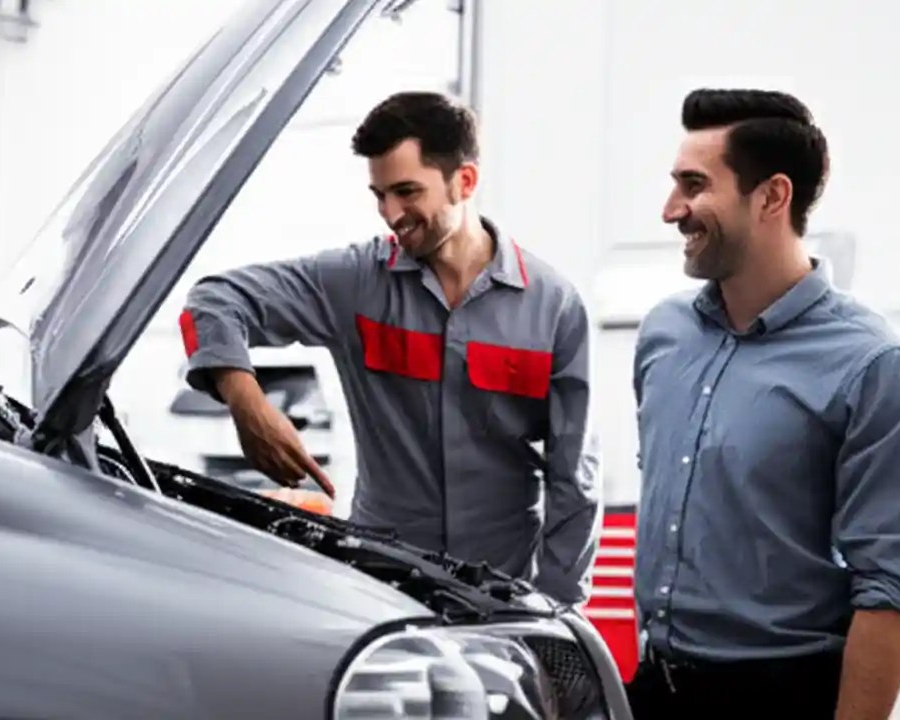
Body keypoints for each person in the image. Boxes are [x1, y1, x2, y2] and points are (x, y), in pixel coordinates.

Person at [177, 91, 603, 607]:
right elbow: (214, 299)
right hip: (381, 591)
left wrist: (555, 609)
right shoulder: (355, 282)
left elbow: (573, 479)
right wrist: (248, 405)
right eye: (379, 195)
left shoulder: (553, 306)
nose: (390, 214)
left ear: (463, 181)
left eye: (406, 192)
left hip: (501, 595)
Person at [627, 87, 900, 718]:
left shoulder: (877, 369)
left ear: (772, 196)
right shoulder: (664, 335)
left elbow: (893, 588)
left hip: (779, 698)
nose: (671, 210)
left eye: (694, 186)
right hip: (652, 685)